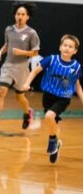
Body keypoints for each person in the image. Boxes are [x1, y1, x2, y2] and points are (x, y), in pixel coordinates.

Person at [23, 34, 83, 165]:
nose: (67, 48)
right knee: (51, 121)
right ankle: (56, 143)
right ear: (60, 47)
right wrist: (27, 83)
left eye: (70, 46)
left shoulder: (76, 66)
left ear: (75, 51)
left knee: (49, 116)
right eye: (65, 45)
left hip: (63, 98)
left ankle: (52, 140)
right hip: (48, 96)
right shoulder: (51, 59)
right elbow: (35, 71)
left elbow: (76, 84)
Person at [0, 3, 40, 133]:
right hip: (8, 65)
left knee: (19, 97)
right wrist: (0, 52)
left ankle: (28, 113)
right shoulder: (9, 29)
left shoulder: (31, 33)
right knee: (1, 91)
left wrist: (21, 52)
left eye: (22, 14)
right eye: (17, 14)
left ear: (28, 17)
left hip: (22, 68)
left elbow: (35, 53)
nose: (19, 16)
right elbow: (7, 44)